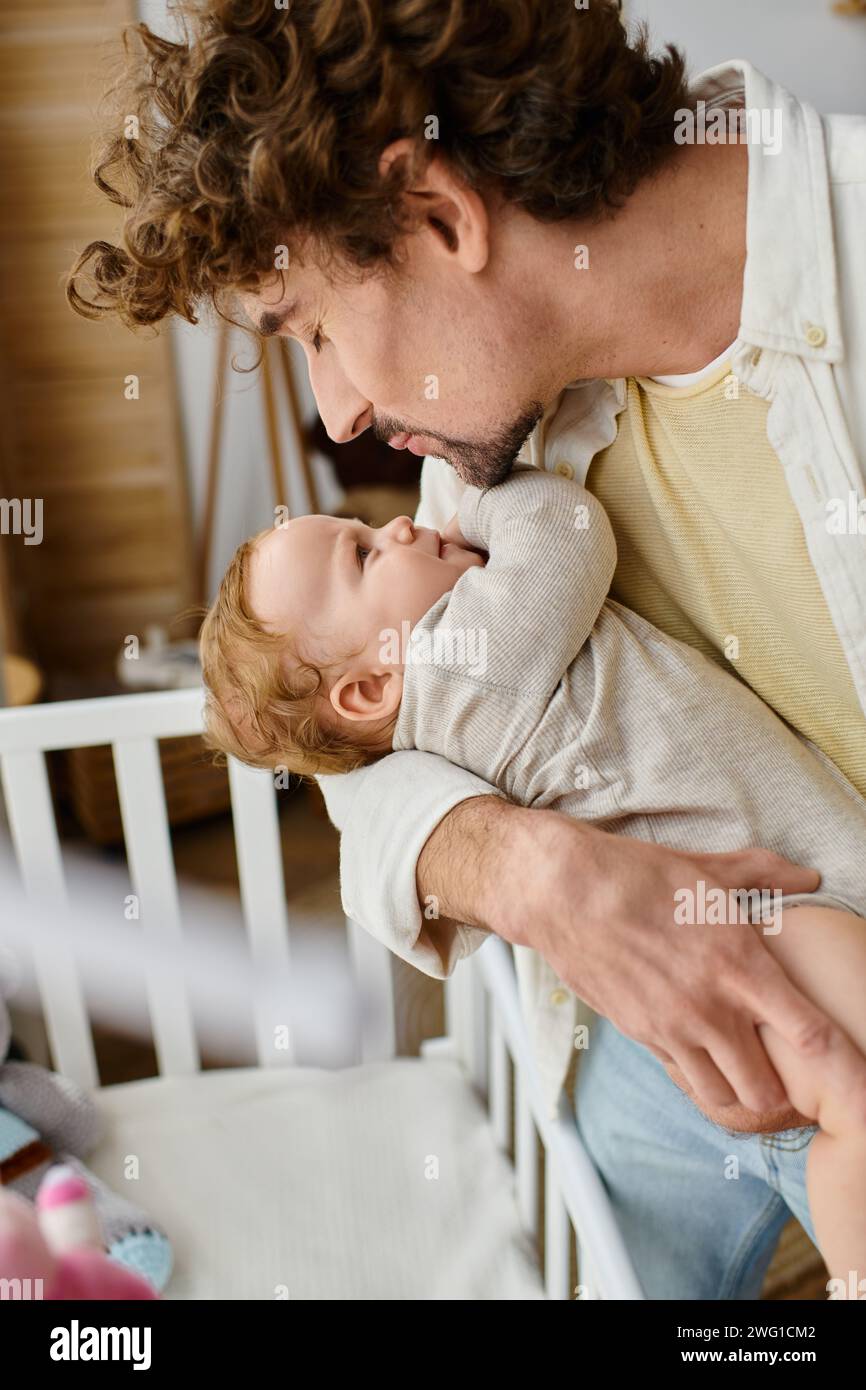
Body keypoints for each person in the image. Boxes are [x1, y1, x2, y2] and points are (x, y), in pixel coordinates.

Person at [66, 0, 866, 1297]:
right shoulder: (506, 430)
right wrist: (522, 863)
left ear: (440, 214)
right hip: (658, 1074)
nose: (339, 408)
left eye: (313, 331)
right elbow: (360, 746)